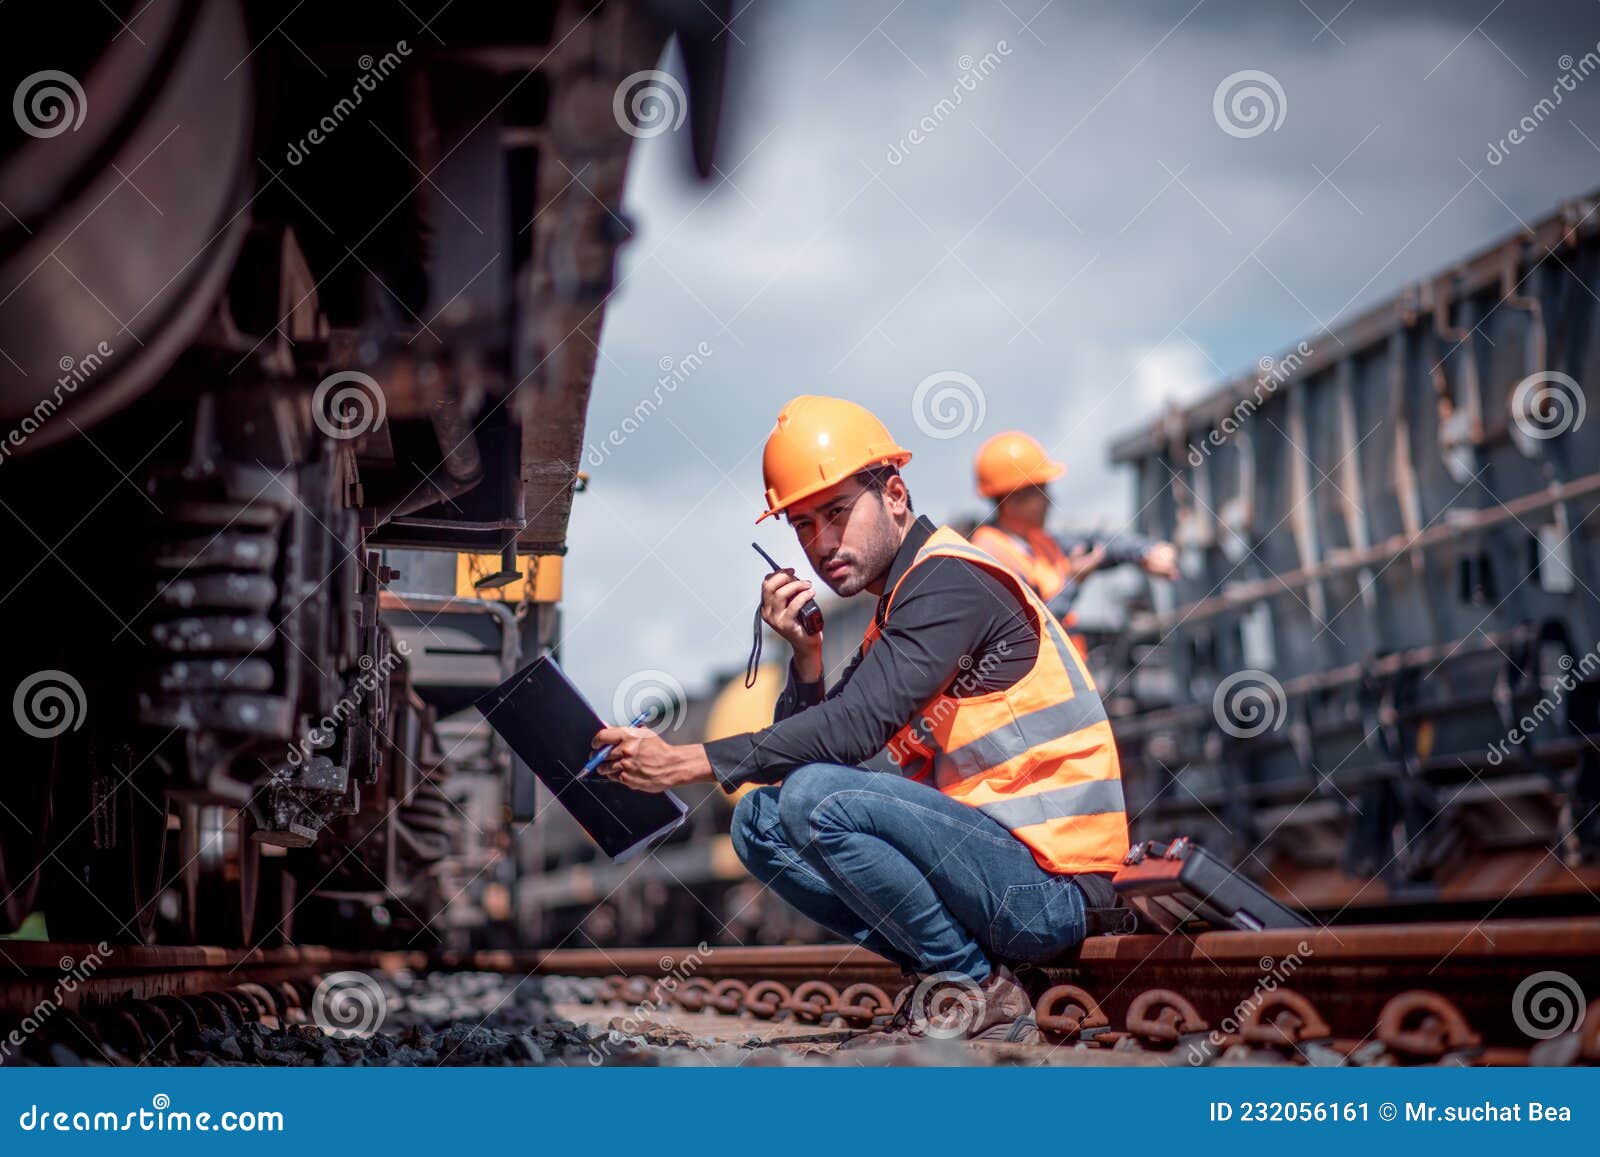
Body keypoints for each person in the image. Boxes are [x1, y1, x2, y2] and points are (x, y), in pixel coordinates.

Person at [589, 396, 1129, 1048]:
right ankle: (946, 975)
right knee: (758, 821)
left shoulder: (952, 582)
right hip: (996, 873)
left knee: (819, 800)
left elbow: (851, 734)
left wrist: (685, 760)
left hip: (1055, 886)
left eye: (837, 513)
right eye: (803, 525)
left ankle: (972, 986)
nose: (821, 543)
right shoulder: (898, 611)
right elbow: (808, 765)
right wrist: (806, 657)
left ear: (895, 494)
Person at [968, 432, 1179, 635]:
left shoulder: (1038, 542)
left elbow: (1100, 546)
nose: (1049, 501)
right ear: (1013, 500)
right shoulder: (989, 558)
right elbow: (1028, 633)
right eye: (1041, 491)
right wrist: (1073, 582)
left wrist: (1146, 552)